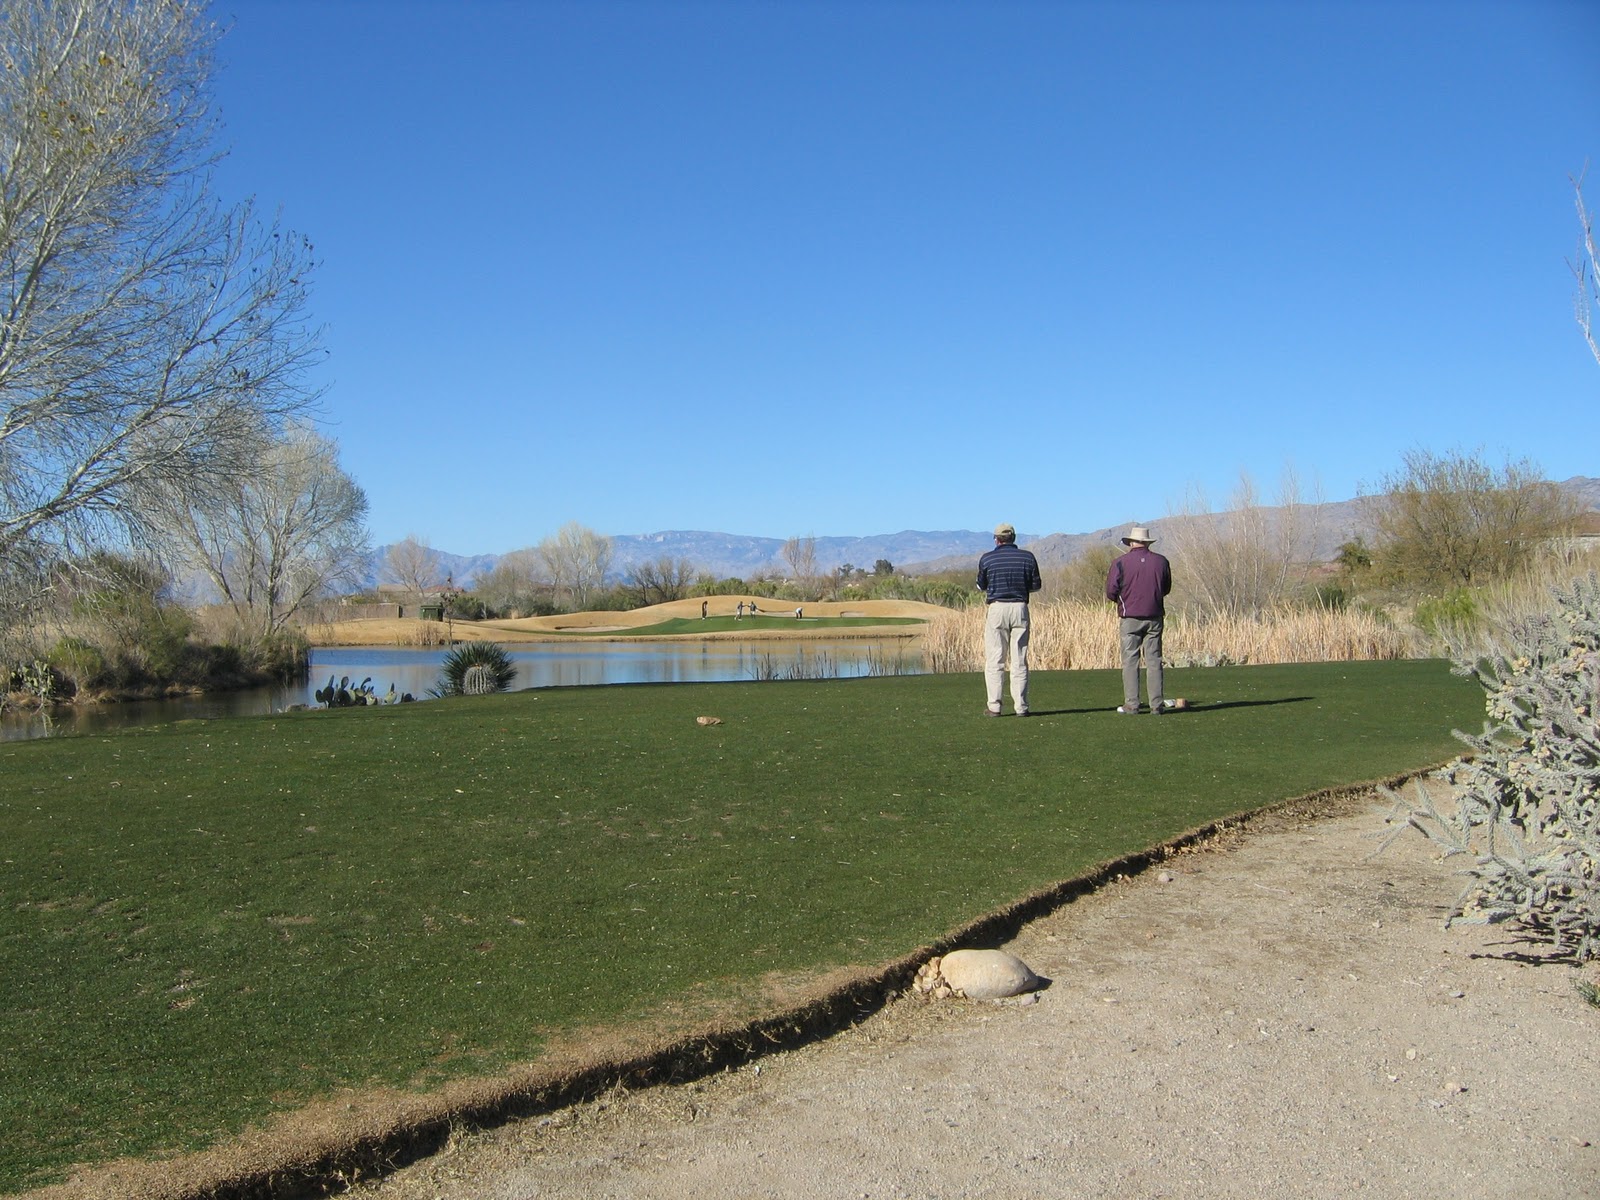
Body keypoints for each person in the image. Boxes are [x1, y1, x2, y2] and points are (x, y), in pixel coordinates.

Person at [975, 522, 1042, 716]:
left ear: (997, 539)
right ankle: (1021, 706)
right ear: (1013, 538)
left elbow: (981, 585)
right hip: (1020, 608)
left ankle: (994, 706)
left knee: (995, 659)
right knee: (1019, 659)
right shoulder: (1027, 557)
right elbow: (1036, 585)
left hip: (997, 609)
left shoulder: (987, 558)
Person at [1105, 525, 1172, 714]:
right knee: (1154, 660)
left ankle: (1132, 704)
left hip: (1130, 617)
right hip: (1154, 616)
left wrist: (1124, 600)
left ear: (1131, 542)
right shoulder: (1161, 562)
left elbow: (1111, 590)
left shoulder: (1120, 562)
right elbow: (1166, 587)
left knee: (1130, 661)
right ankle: (1156, 705)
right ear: (1147, 542)